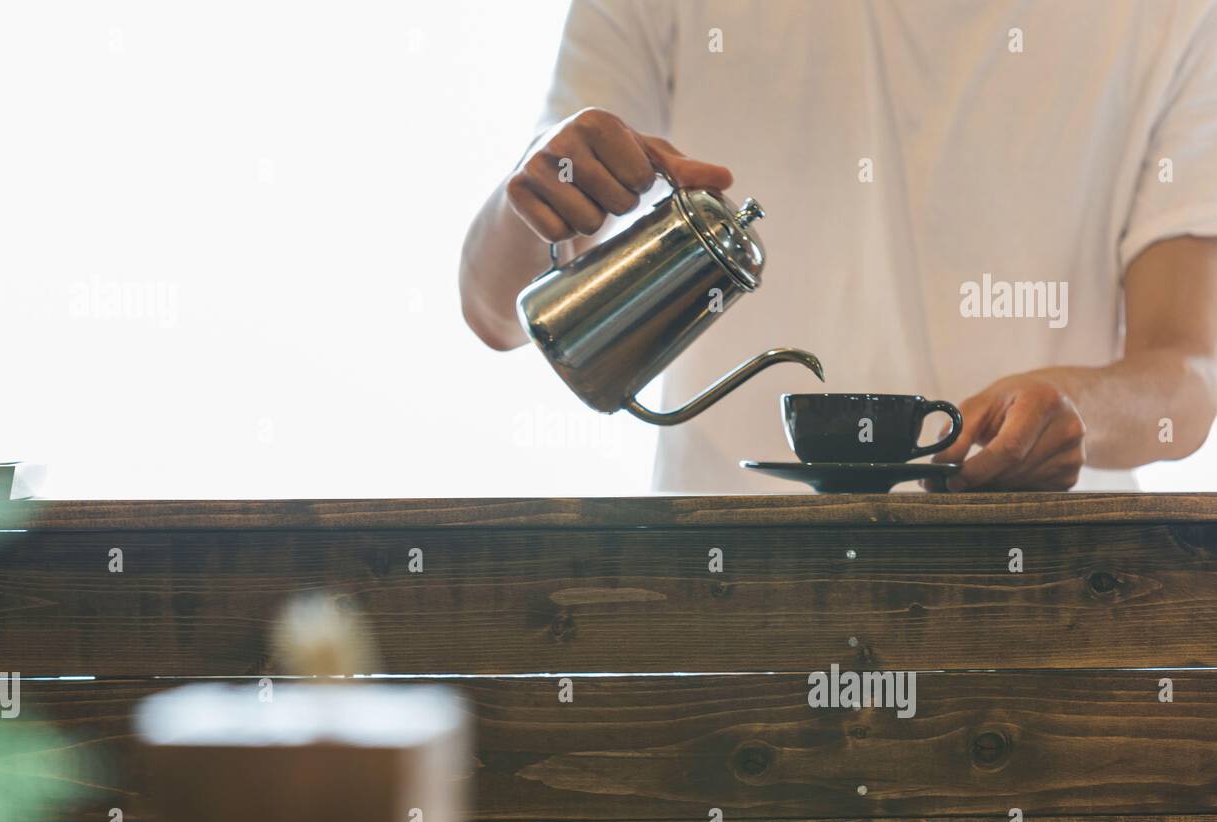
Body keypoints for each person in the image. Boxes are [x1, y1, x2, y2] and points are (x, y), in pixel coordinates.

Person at [459, 0, 1217, 492]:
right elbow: (495, 312)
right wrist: (545, 192)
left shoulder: (1173, 16)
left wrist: (1075, 408)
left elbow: (1187, 375)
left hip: (1038, 613)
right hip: (724, 608)